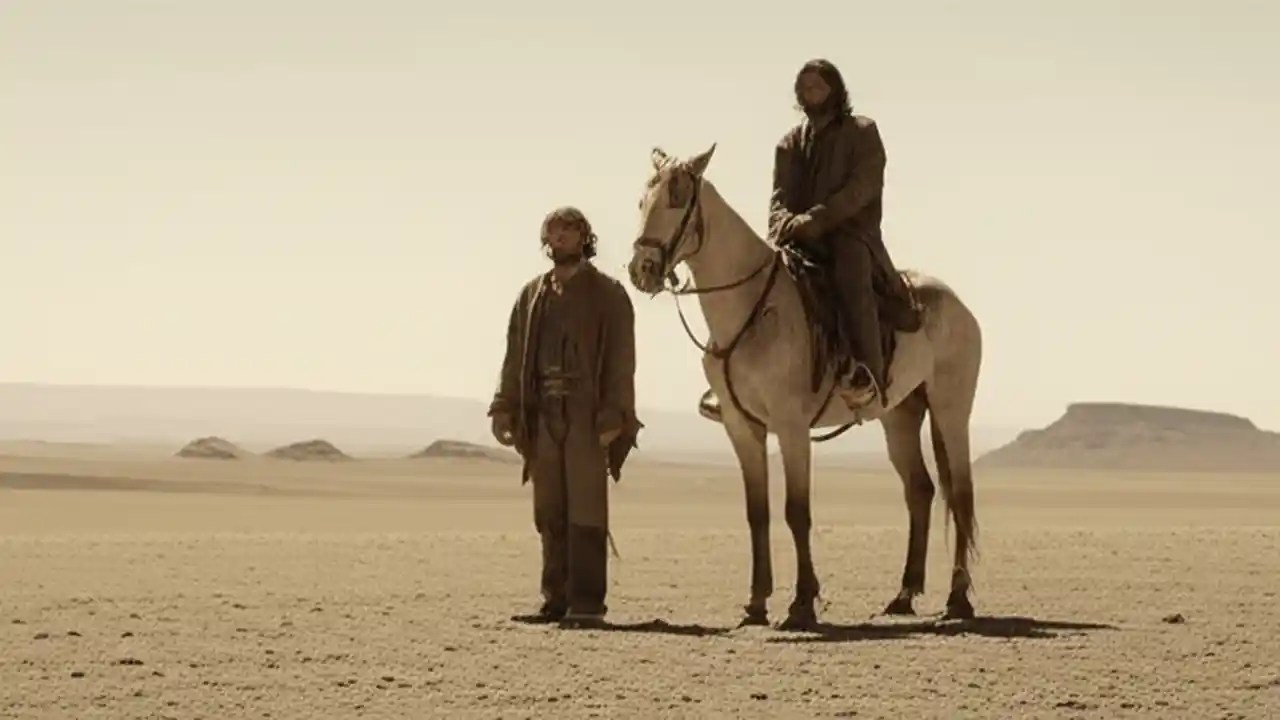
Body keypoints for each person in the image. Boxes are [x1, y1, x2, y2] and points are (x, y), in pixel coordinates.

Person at [698, 58, 920, 421]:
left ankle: (866, 373)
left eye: (817, 86)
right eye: (804, 88)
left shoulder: (862, 132)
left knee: (850, 273)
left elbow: (861, 188)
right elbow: (779, 195)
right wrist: (781, 224)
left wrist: (817, 219)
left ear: (835, 90)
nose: (809, 93)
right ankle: (728, 380)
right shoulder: (790, 143)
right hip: (798, 236)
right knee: (753, 279)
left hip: (851, 234)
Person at [487, 206, 642, 628]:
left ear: (584, 237)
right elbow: (514, 354)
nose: (561, 237)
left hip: (587, 414)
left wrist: (615, 412)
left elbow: (621, 360)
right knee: (549, 508)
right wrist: (505, 406)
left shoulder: (608, 293)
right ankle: (555, 599)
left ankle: (588, 603)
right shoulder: (531, 295)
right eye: (554, 231)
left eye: (569, 230)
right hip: (543, 414)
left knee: (586, 509)